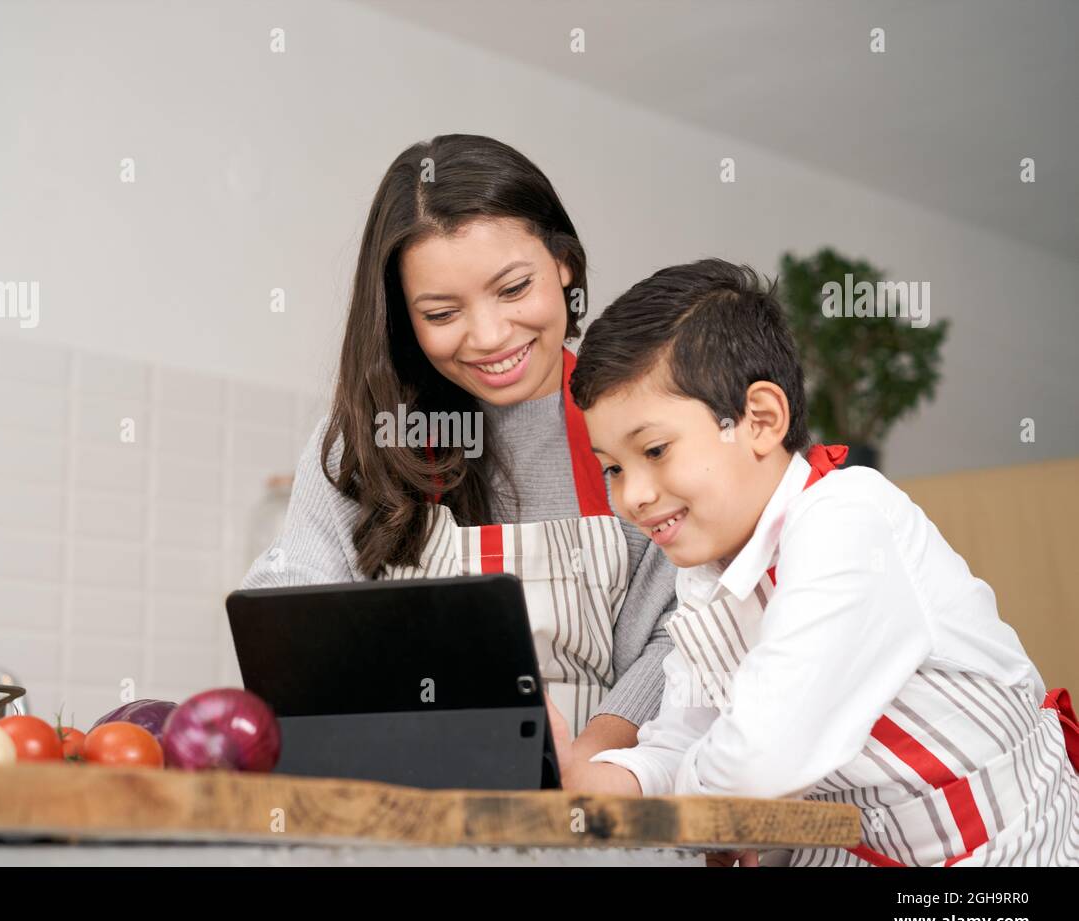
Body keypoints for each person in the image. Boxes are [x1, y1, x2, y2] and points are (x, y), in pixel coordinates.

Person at [553, 257, 1079, 866]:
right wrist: (608, 782)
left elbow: (758, 759)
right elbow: (683, 738)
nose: (633, 495)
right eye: (612, 467)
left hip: (1014, 846)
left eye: (655, 450)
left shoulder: (849, 517)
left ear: (761, 420)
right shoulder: (703, 580)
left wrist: (691, 811)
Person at [241, 134, 679, 780]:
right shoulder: (366, 439)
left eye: (513, 288)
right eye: (443, 312)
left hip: (595, 806)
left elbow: (680, 631)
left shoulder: (636, 429)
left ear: (563, 263)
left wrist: (592, 756)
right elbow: (290, 605)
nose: (490, 336)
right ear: (403, 318)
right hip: (403, 806)